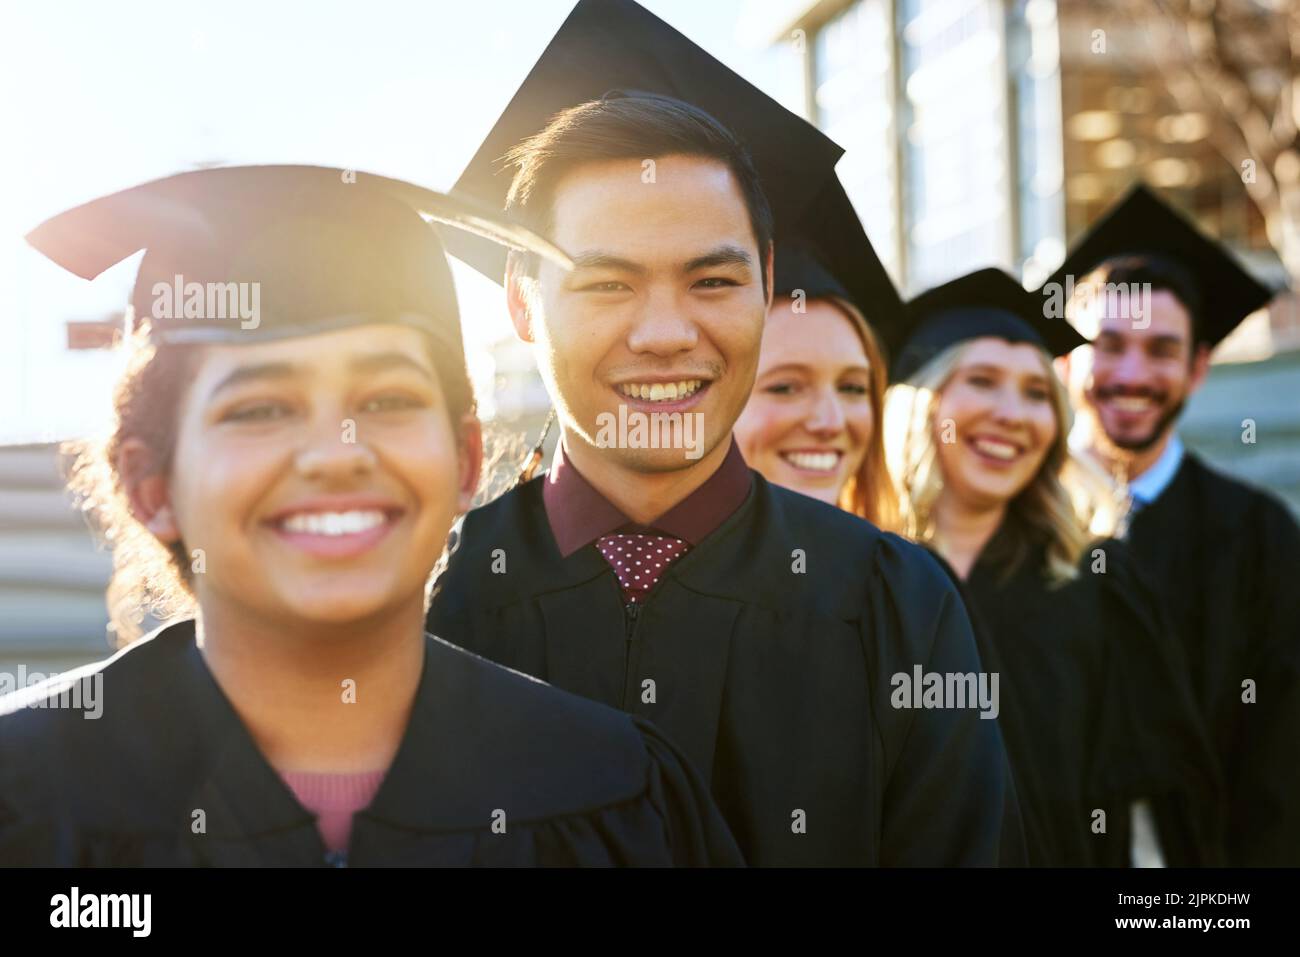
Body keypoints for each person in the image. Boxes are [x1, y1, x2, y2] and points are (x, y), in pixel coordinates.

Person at [0, 165, 742, 867]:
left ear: (465, 458)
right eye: (260, 408)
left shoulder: (615, 793)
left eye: (386, 400)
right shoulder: (25, 796)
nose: (336, 453)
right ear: (149, 482)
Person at [427, 0, 1022, 865]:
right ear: (521, 299)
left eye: (711, 279)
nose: (666, 332)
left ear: (766, 282)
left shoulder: (898, 604)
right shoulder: (433, 601)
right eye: (605, 285)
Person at [882, 267, 1221, 866]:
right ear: (919, 401)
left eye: (1037, 393)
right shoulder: (864, 586)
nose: (1014, 413)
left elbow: (1148, 819)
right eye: (982, 381)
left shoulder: (1094, 586)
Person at [1046, 182, 1300, 866]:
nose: (1132, 373)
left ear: (1196, 369)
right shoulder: (1014, 525)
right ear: (1067, 358)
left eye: (1161, 349)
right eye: (1109, 344)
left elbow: (1281, 762)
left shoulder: (1259, 536)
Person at [734, 175, 901, 527]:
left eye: (853, 388)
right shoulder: (633, 576)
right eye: (785, 387)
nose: (831, 422)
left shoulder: (907, 579)